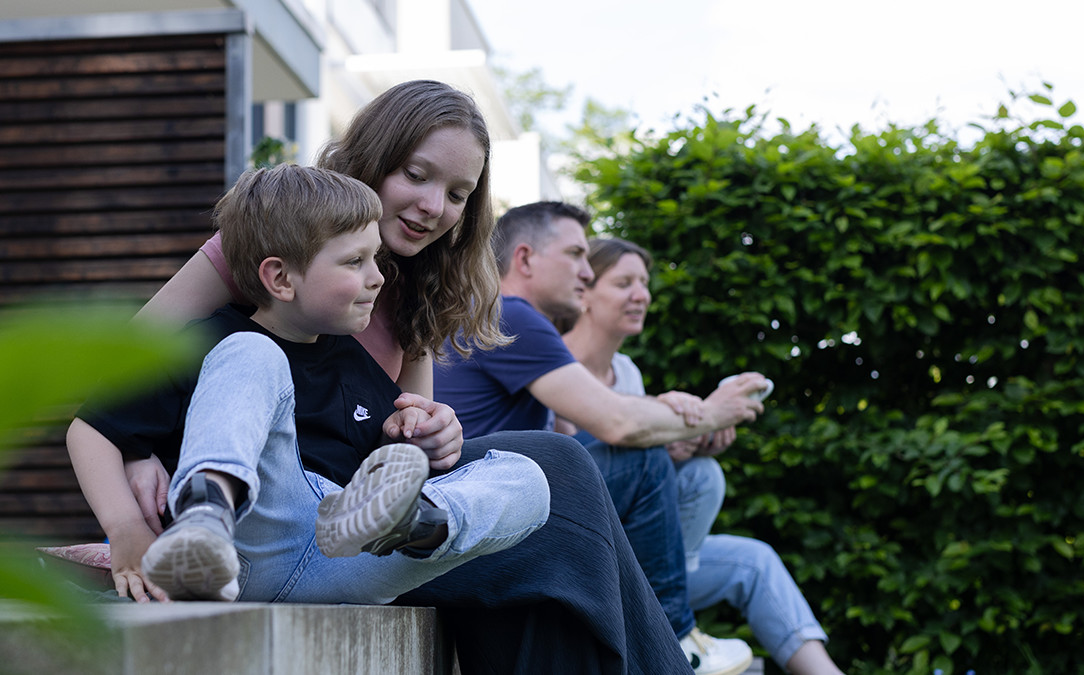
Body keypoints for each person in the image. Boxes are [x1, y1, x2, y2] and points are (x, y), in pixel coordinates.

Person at [123, 80, 692, 674]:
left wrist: (433, 431)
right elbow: (121, 367)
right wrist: (134, 454)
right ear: (373, 158)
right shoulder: (280, 239)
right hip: (257, 511)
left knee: (545, 517)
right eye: (415, 175)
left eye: (457, 193)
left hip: (362, 526)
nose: (433, 207)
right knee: (564, 477)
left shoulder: (422, 284)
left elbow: (407, 433)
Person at [67, 164, 548, 605]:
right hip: (243, 542)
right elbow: (90, 430)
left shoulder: (360, 368)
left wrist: (407, 434)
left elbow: (386, 464)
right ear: (280, 278)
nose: (376, 278)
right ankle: (204, 520)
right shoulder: (209, 342)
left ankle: (413, 524)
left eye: (375, 259)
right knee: (252, 353)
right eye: (354, 261)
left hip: (347, 561)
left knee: (528, 479)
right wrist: (126, 526)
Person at [434, 200, 771, 675]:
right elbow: (617, 424)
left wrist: (665, 413)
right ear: (525, 259)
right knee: (643, 463)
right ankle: (675, 637)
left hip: (485, 505)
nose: (587, 273)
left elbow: (578, 428)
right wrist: (714, 412)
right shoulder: (510, 314)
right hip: (490, 514)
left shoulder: (497, 316)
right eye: (576, 254)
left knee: (658, 464)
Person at [562, 237, 846, 675]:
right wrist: (699, 418)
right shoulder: (557, 368)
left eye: (644, 282)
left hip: (644, 547)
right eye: (624, 283)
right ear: (585, 292)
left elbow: (639, 472)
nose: (642, 294)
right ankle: (671, 633)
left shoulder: (629, 372)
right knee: (697, 477)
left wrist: (679, 447)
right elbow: (578, 461)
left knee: (749, 552)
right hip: (587, 551)